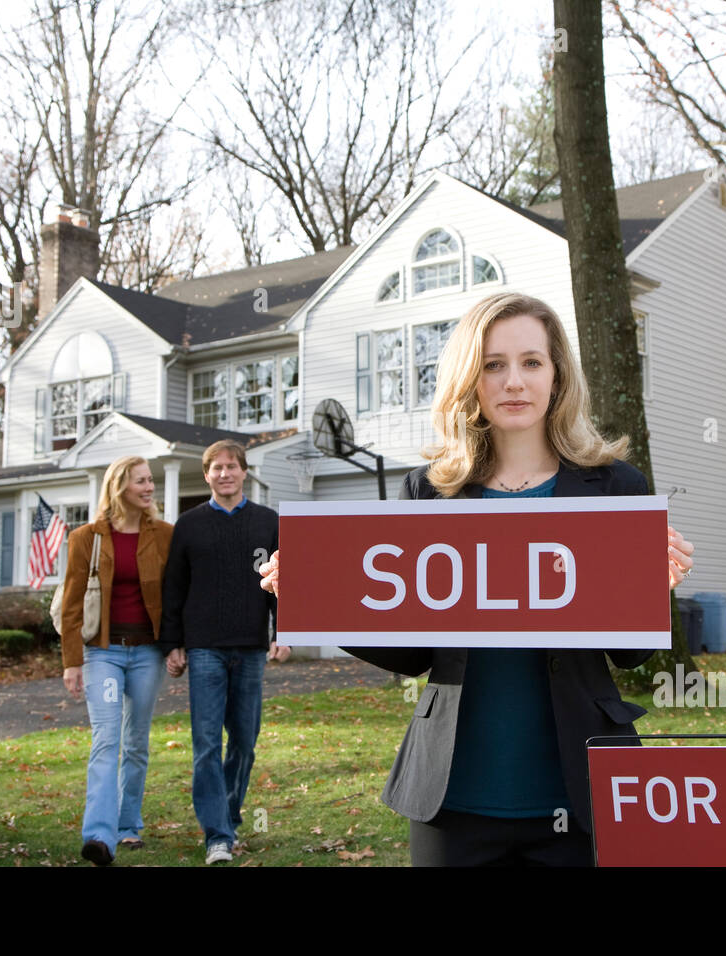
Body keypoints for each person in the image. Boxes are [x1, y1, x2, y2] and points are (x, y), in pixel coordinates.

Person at [259, 291, 695, 866]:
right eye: (493, 364)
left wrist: (654, 588)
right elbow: (414, 653)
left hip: (581, 789)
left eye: (531, 362)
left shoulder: (615, 486)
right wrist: (322, 599)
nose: (514, 381)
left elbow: (630, 657)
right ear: (471, 378)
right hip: (453, 797)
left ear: (558, 375)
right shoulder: (428, 491)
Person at [160, 439, 291, 865]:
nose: (224, 473)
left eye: (231, 466)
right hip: (204, 650)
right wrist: (172, 644)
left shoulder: (269, 522)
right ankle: (217, 834)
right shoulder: (189, 525)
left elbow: (281, 582)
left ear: (244, 472)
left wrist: (283, 631)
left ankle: (228, 814)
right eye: (216, 467)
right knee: (205, 743)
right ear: (206, 475)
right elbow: (174, 589)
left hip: (251, 646)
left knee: (245, 743)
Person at [61, 455, 174, 866]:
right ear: (119, 486)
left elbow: (174, 597)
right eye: (141, 481)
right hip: (103, 653)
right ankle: (99, 836)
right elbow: (73, 604)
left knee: (136, 743)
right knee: (106, 739)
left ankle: (128, 827)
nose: (149, 487)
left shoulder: (164, 535)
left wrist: (175, 643)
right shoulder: (86, 538)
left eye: (150, 481)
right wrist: (72, 662)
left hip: (147, 653)